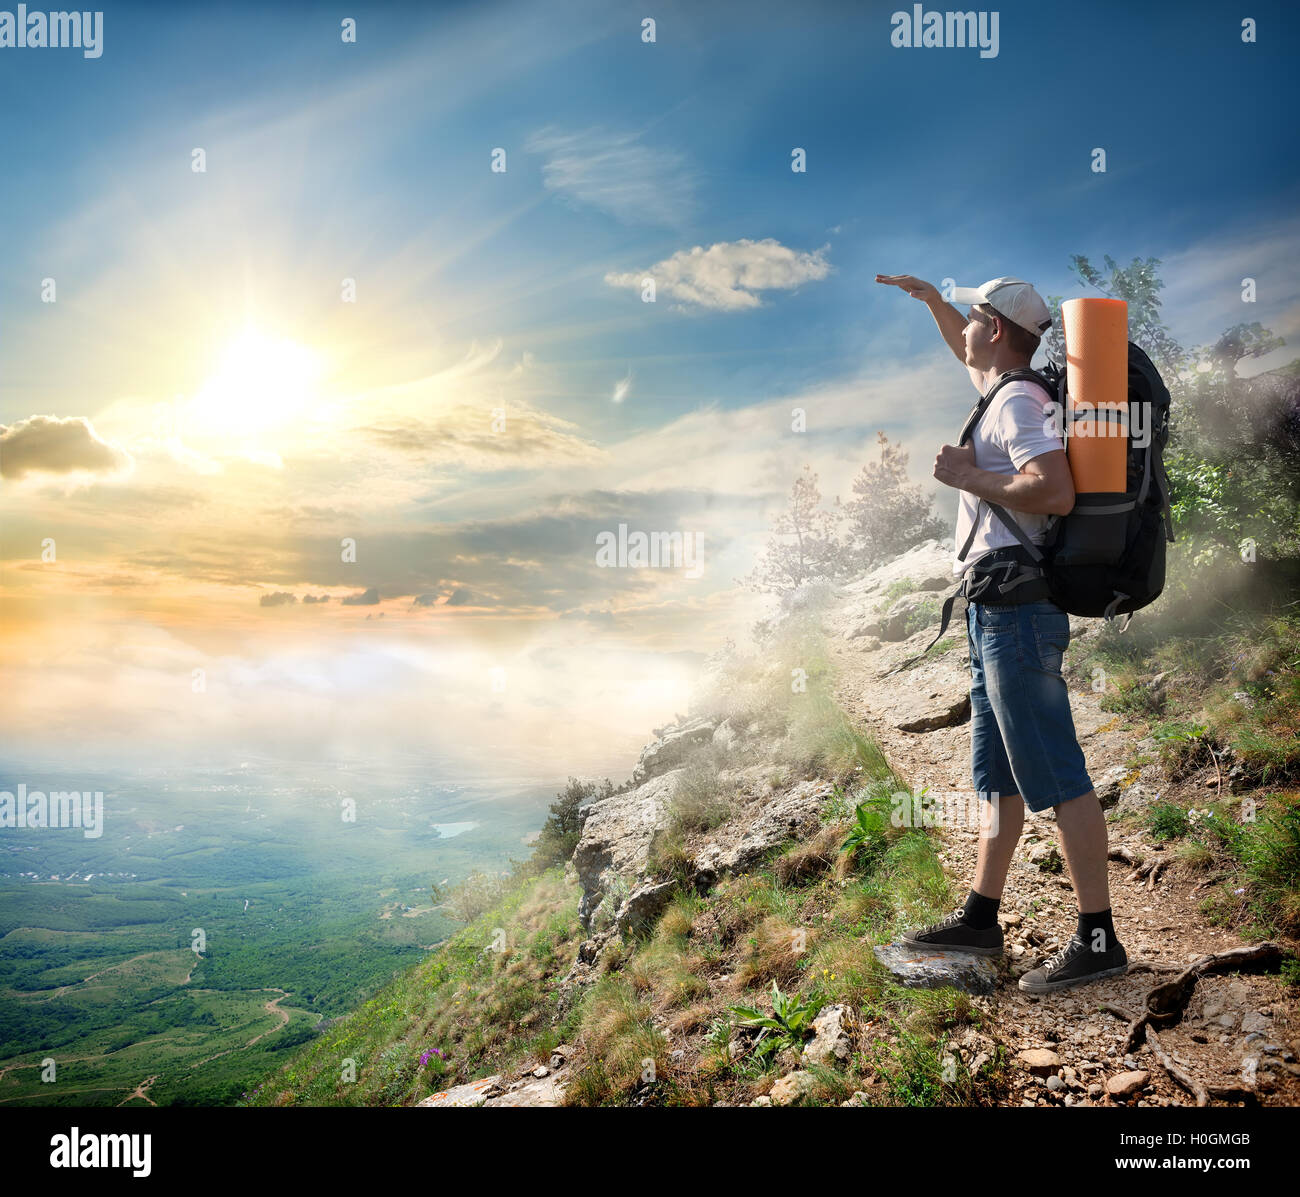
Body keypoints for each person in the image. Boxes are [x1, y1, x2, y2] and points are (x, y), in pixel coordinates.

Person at [874, 273, 1128, 993]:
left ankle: (1099, 938)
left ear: (999, 329)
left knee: (1054, 771)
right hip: (993, 608)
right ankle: (982, 920)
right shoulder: (998, 388)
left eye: (975, 318)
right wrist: (930, 299)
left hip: (1017, 609)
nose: (967, 331)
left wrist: (966, 476)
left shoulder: (1017, 399)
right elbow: (962, 345)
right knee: (1000, 777)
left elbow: (1054, 490)